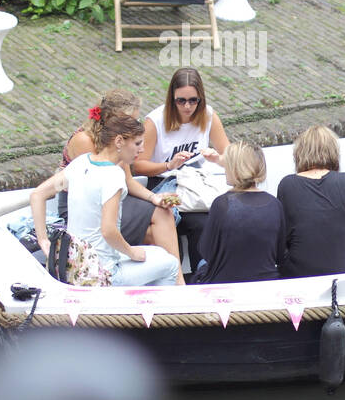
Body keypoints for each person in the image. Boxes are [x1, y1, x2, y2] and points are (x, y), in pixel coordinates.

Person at [32, 115, 181, 287]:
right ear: (119, 141)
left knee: (159, 254)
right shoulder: (113, 175)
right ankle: (157, 312)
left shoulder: (80, 163)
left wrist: (43, 240)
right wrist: (132, 252)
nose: (142, 150)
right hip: (102, 274)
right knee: (171, 265)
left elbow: (38, 195)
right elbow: (108, 231)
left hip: (73, 266)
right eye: (138, 143)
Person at [134, 68, 231, 278]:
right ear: (172, 99)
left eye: (193, 100)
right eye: (181, 101)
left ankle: (202, 276)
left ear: (201, 99)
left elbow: (231, 156)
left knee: (206, 222)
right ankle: (172, 279)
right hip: (163, 182)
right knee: (170, 223)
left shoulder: (208, 116)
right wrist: (169, 165)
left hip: (195, 183)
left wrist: (216, 159)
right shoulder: (155, 121)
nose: (187, 106)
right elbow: (138, 165)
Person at [59, 89, 178, 258]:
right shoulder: (84, 141)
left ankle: (173, 277)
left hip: (108, 198)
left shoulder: (121, 141)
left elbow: (128, 181)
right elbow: (91, 191)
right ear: (112, 119)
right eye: (131, 120)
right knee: (159, 216)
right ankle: (176, 279)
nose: (135, 124)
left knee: (157, 223)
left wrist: (154, 197)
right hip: (81, 208)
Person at [277, 125, 345, 278]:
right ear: (333, 152)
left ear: (299, 154)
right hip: (343, 274)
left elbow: (283, 237)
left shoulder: (287, 185)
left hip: (298, 274)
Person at [194, 142, 284, 284]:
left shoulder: (222, 204)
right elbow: (279, 254)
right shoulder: (275, 204)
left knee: (201, 265)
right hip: (266, 281)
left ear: (234, 168)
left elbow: (206, 250)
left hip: (226, 282)